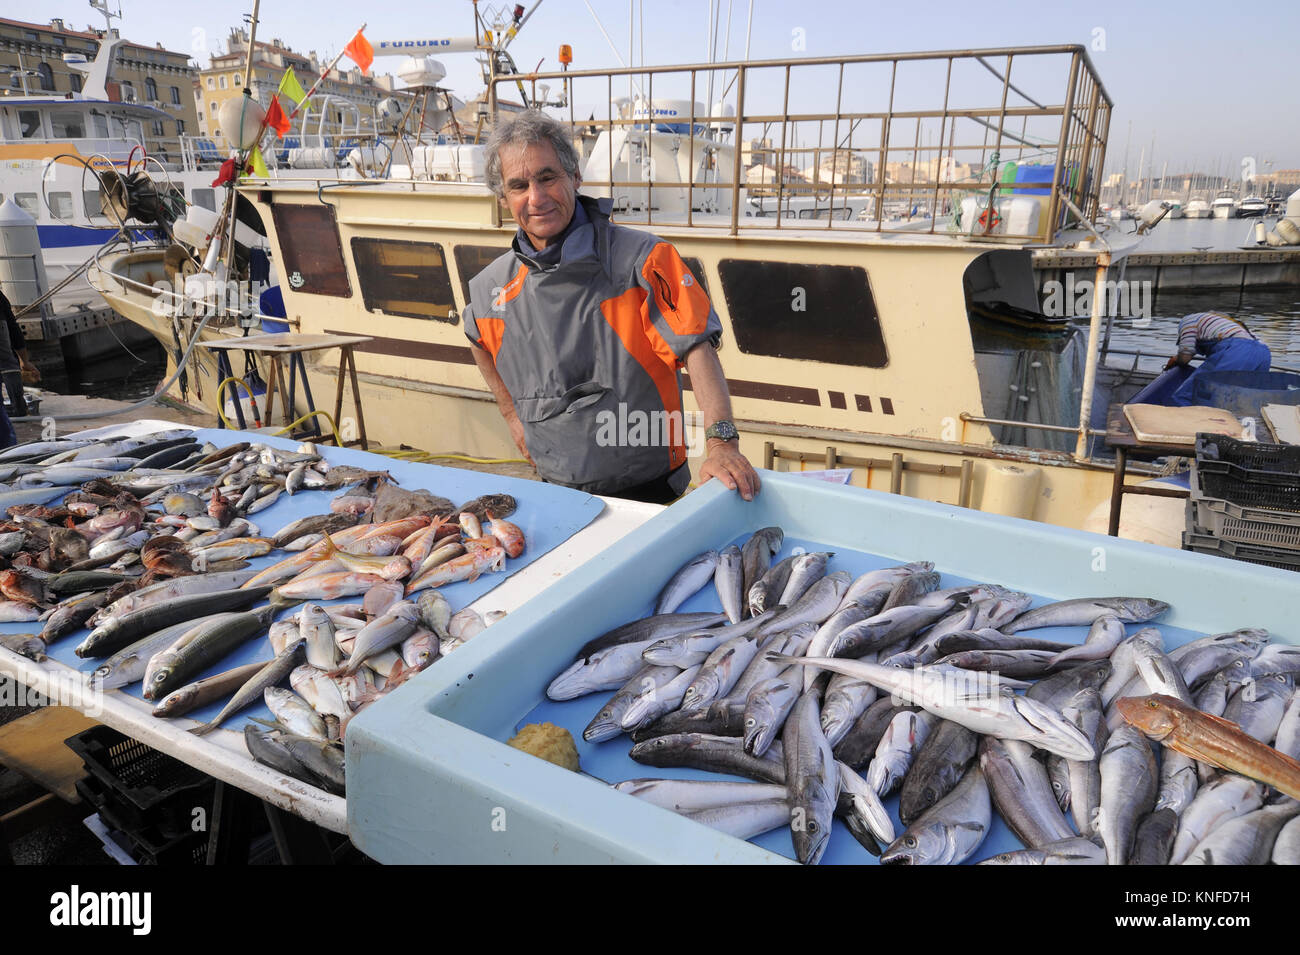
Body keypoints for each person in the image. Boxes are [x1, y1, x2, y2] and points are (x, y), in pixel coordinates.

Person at [461, 111, 759, 504]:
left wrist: (721, 443)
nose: (536, 197)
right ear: (504, 199)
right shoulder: (489, 287)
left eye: (548, 177)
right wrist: (512, 417)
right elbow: (477, 337)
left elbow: (697, 346)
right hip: (557, 490)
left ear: (575, 178)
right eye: (519, 185)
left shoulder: (645, 259)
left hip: (652, 490)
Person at [1164, 310, 1271, 407]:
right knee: (1242, 401)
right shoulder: (1227, 322)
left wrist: (1176, 360)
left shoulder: (1187, 321)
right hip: (1263, 353)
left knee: (1187, 396)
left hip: (1236, 350)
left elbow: (1186, 356)